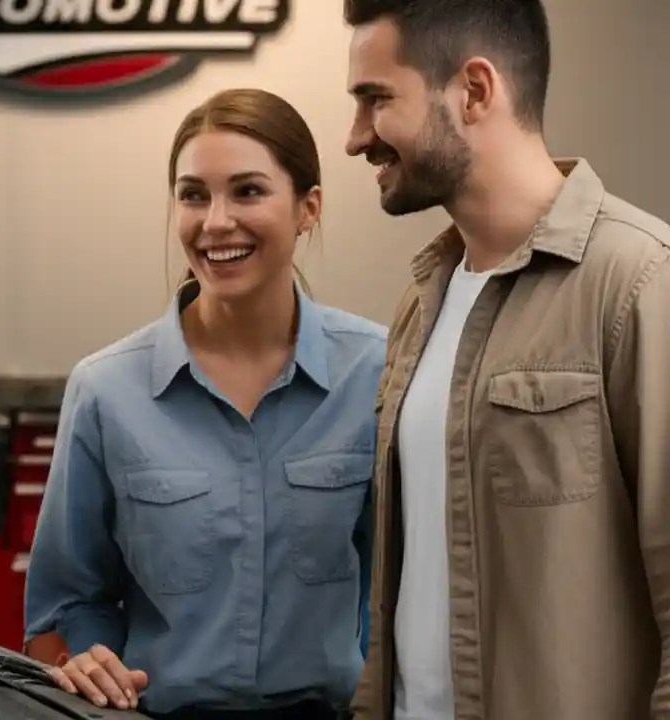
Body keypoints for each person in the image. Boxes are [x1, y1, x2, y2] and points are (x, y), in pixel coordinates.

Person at [341, 1, 670, 718]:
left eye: (375, 100)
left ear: (475, 90)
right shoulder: (419, 304)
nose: (354, 138)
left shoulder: (640, 284)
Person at [23, 88, 387, 719]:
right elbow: (60, 609)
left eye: (248, 191)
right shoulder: (106, 389)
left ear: (309, 209)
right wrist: (78, 661)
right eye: (194, 194)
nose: (215, 221)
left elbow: (410, 592)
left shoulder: (379, 371)